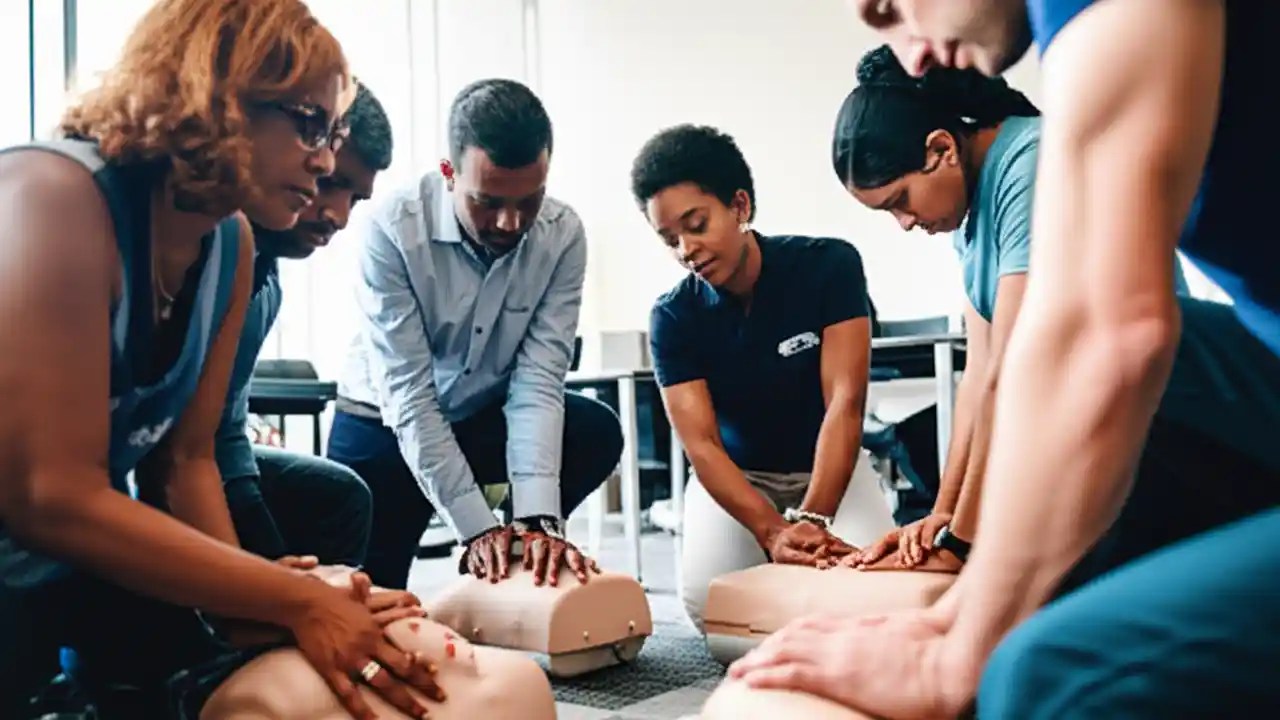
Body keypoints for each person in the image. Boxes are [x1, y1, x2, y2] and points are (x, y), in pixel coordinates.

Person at [728, 1, 1280, 718]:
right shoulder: (972, 217)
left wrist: (960, 640)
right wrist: (946, 538)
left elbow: (1104, 335)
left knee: (1038, 673)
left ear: (940, 152)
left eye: (890, 3)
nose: (906, 47)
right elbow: (989, 377)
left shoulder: (1029, 147)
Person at [0, 3, 440, 719]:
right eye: (308, 124)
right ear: (215, 92)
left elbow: (185, 463)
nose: (326, 160)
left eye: (331, 135)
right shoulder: (50, 196)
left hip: (47, 564)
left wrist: (247, 599)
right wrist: (284, 594)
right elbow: (51, 495)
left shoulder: (229, 244)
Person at [329, 78, 623, 591]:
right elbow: (411, 398)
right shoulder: (392, 228)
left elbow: (537, 383)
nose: (510, 222)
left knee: (594, 430)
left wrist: (534, 521)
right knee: (370, 600)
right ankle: (479, 541)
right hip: (383, 424)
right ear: (448, 173)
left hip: (481, 416)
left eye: (528, 201)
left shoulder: (563, 235)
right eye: (488, 201)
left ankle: (511, 559)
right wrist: (475, 527)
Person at [631, 124, 897, 630]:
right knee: (711, 609)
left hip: (829, 469)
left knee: (876, 591)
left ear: (740, 205)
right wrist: (770, 531)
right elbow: (703, 445)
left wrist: (814, 520)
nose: (686, 249)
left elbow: (845, 402)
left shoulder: (829, 266)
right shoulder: (673, 316)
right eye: (670, 240)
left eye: (697, 223)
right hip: (737, 478)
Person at [219, 81, 393, 569]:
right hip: (127, 469)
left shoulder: (266, 285)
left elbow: (225, 434)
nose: (338, 215)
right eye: (332, 183)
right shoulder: (206, 250)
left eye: (355, 199)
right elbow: (194, 451)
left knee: (337, 494)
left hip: (209, 455)